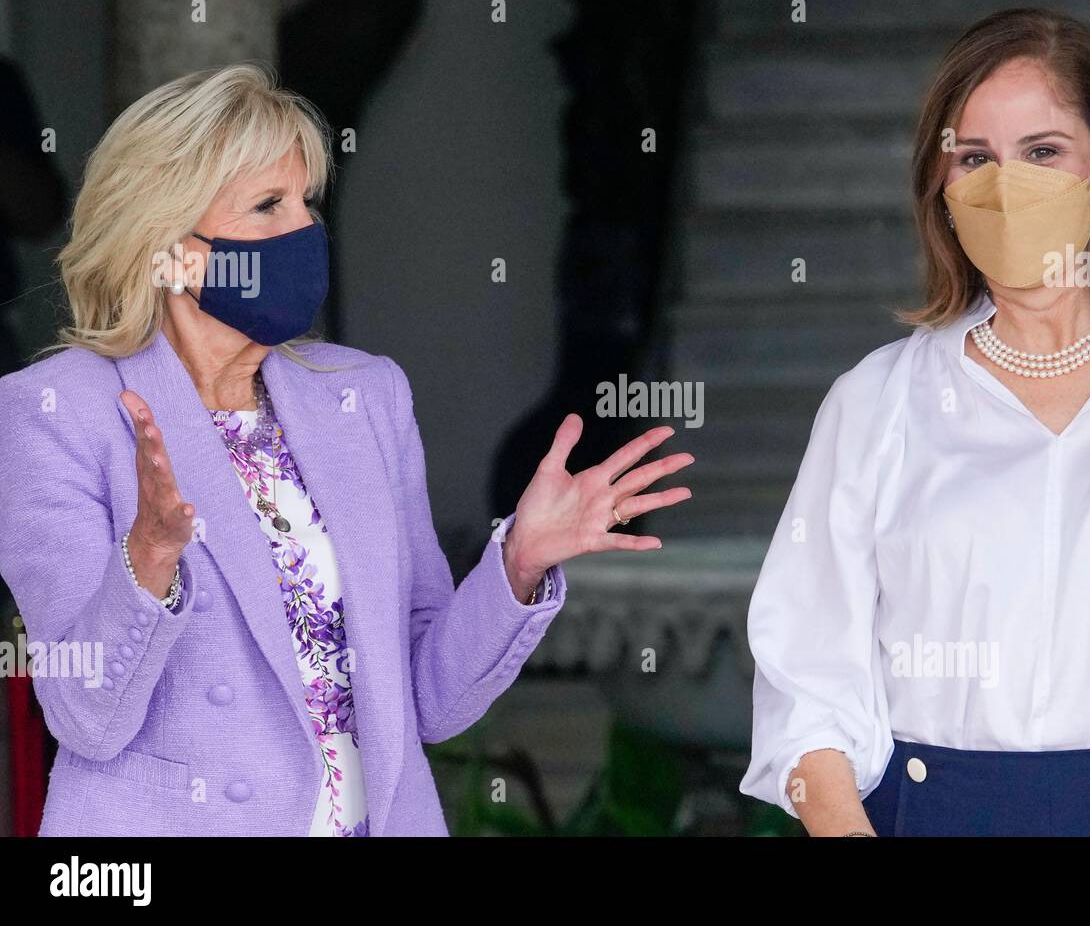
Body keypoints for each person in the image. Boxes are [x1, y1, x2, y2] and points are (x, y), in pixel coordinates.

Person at [0, 62, 693, 836]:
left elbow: (429, 702)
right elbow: (85, 717)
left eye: (306, 202)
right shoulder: (55, 413)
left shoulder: (363, 395)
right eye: (268, 205)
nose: (304, 230)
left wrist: (518, 565)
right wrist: (149, 558)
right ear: (174, 249)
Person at [740, 8, 1090, 836]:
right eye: (976, 158)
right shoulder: (874, 404)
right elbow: (805, 688)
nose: (1007, 186)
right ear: (944, 185)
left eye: (1042, 152)